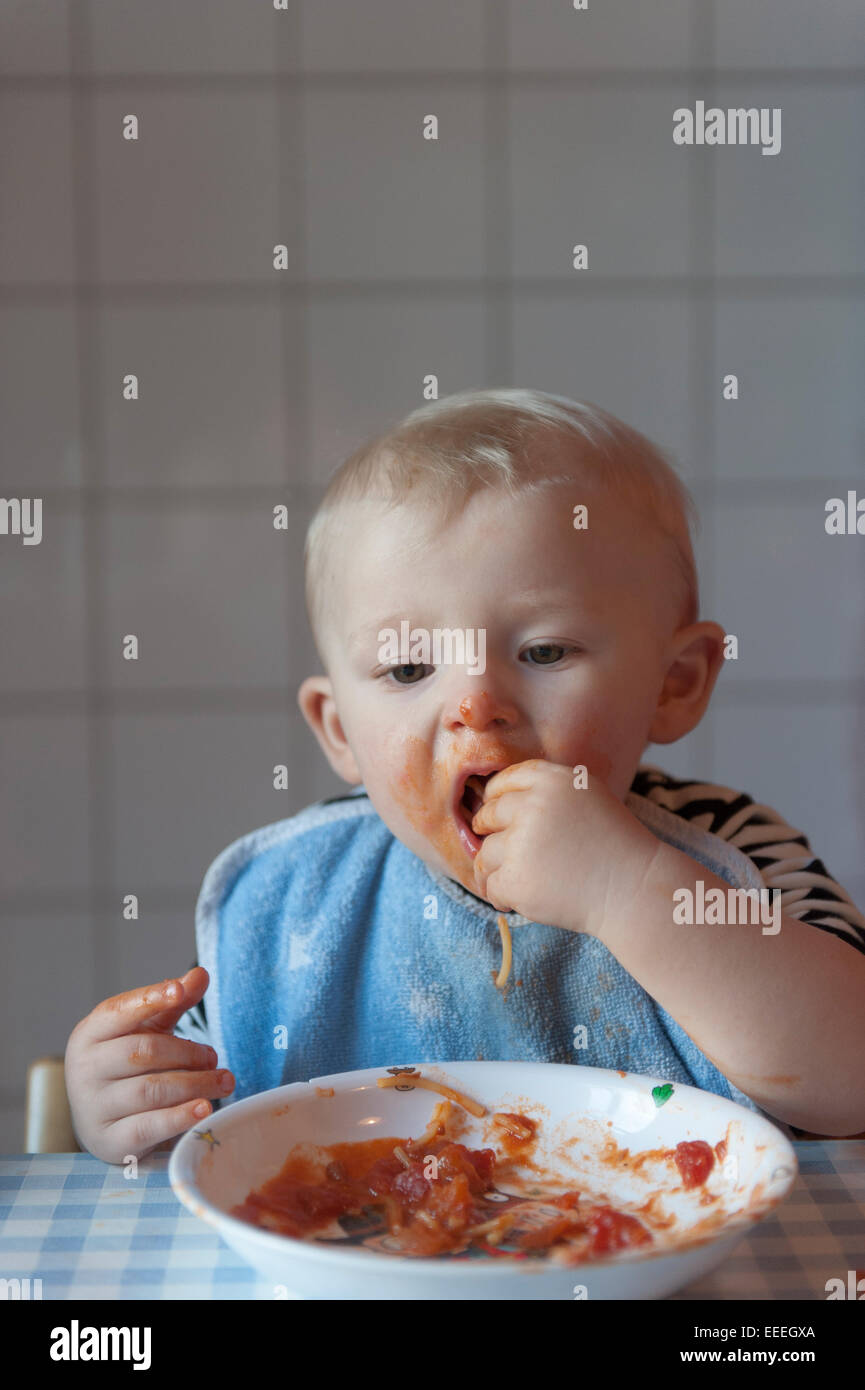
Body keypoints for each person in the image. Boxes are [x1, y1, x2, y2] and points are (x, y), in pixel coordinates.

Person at [65, 389, 865, 1163]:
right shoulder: (304, 900)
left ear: (674, 682)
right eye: (410, 667)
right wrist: (131, 1102)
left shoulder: (729, 852)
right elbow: (207, 1120)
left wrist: (626, 891)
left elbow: (848, 1076)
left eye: (544, 652)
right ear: (339, 729)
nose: (474, 706)